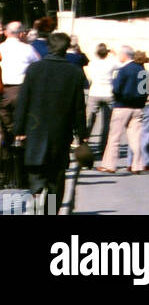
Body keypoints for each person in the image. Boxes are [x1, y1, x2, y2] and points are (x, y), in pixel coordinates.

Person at [13, 31, 88, 215]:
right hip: (60, 134)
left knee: (36, 175)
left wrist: (19, 129)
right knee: (55, 179)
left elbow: (24, 101)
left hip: (34, 131)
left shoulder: (34, 69)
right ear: (66, 48)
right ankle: (51, 212)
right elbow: (78, 108)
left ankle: (34, 207)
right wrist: (82, 134)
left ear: (49, 47)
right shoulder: (75, 73)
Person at [0, 21, 38, 188]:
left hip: (2, 91)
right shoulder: (28, 49)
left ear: (7, 33)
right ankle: (22, 173)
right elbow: (37, 66)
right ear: (21, 33)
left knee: (4, 131)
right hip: (22, 91)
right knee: (21, 129)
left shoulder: (1, 48)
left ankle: (6, 171)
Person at [98, 46, 147, 174]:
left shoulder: (123, 70)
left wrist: (117, 98)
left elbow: (116, 88)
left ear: (125, 55)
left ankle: (109, 165)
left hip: (122, 106)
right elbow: (145, 90)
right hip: (138, 108)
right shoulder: (142, 70)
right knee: (135, 138)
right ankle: (137, 165)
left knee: (114, 138)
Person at [125, 52, 149, 172]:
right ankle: (146, 162)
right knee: (146, 134)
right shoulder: (146, 73)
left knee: (132, 134)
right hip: (145, 104)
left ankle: (131, 162)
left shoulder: (128, 71)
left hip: (131, 105)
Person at [85, 43, 116, 156]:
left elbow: (90, 76)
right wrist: (113, 54)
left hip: (95, 91)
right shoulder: (111, 62)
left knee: (89, 119)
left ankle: (85, 142)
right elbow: (121, 65)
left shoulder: (93, 63)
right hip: (108, 92)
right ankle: (103, 147)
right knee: (107, 122)